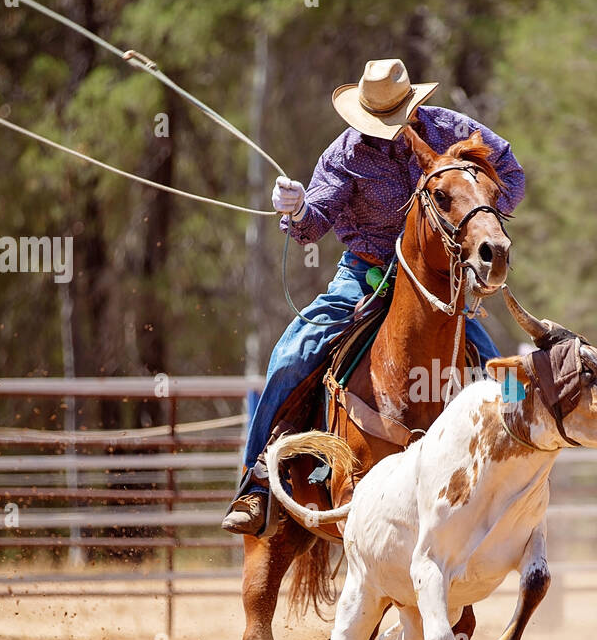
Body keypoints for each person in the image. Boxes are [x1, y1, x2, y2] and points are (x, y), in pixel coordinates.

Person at [222, 59, 526, 535]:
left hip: (435, 284)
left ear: (412, 103)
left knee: (497, 372)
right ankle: (256, 485)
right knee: (291, 354)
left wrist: (481, 221)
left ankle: (513, 480)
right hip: (366, 275)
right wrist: (298, 208)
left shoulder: (452, 130)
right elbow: (312, 224)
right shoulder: (346, 154)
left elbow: (511, 170)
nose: (388, 130)